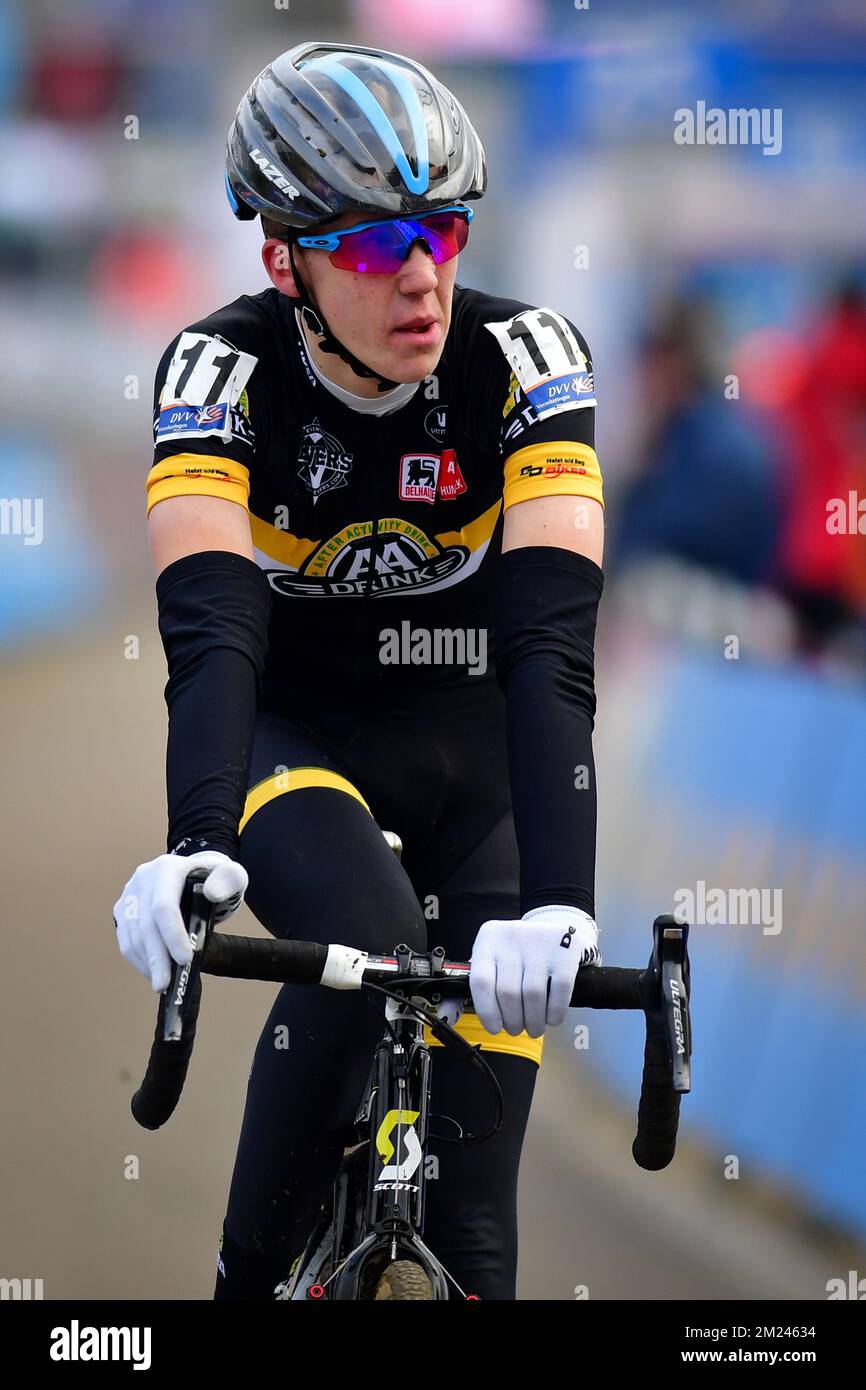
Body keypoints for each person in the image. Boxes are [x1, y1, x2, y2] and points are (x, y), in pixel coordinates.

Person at [113, 40, 605, 1301]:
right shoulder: (218, 375)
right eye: (377, 246)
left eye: (441, 232)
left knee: (475, 1227)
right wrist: (194, 837)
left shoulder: (529, 363)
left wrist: (560, 899)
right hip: (302, 743)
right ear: (282, 258)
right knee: (363, 949)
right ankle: (242, 1276)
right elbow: (215, 625)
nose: (424, 277)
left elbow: (551, 646)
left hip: (477, 761)